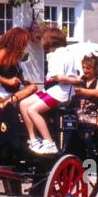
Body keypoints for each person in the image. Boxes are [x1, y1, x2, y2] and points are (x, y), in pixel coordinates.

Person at [18, 26, 76, 154]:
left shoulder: (56, 56)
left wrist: (76, 81)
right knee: (23, 104)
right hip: (54, 90)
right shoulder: (67, 53)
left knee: (32, 110)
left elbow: (58, 77)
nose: (42, 42)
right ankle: (34, 140)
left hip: (59, 92)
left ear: (50, 41)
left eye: (43, 39)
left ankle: (49, 142)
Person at [0, 26, 37, 109]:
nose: (25, 45)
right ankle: (5, 104)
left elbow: (16, 75)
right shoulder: (3, 52)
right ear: (17, 41)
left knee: (33, 87)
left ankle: (6, 103)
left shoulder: (17, 56)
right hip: (0, 89)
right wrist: (7, 81)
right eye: (24, 42)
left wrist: (23, 82)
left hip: (15, 91)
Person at [71, 54, 98, 124]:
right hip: (82, 112)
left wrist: (81, 91)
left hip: (97, 112)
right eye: (83, 67)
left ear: (95, 68)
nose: (85, 70)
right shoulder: (82, 79)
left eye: (88, 68)